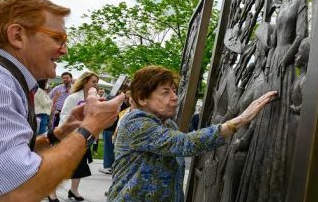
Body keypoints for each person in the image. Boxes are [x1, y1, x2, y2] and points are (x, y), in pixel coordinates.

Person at [0, 0, 124, 202]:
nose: (65, 51)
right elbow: (17, 191)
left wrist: (60, 133)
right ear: (17, 35)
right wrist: (91, 126)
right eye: (57, 38)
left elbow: (7, 158)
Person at [106, 65, 278, 202]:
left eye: (174, 91)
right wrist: (241, 120)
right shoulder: (135, 123)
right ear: (142, 98)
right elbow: (186, 143)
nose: (175, 97)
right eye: (166, 92)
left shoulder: (169, 125)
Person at [59, 72, 100, 201]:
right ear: (85, 81)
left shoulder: (96, 98)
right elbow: (64, 116)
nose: (95, 84)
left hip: (85, 137)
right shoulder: (73, 97)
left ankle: (74, 190)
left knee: (80, 166)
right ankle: (51, 191)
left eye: (96, 82)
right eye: (93, 81)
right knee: (62, 166)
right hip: (71, 136)